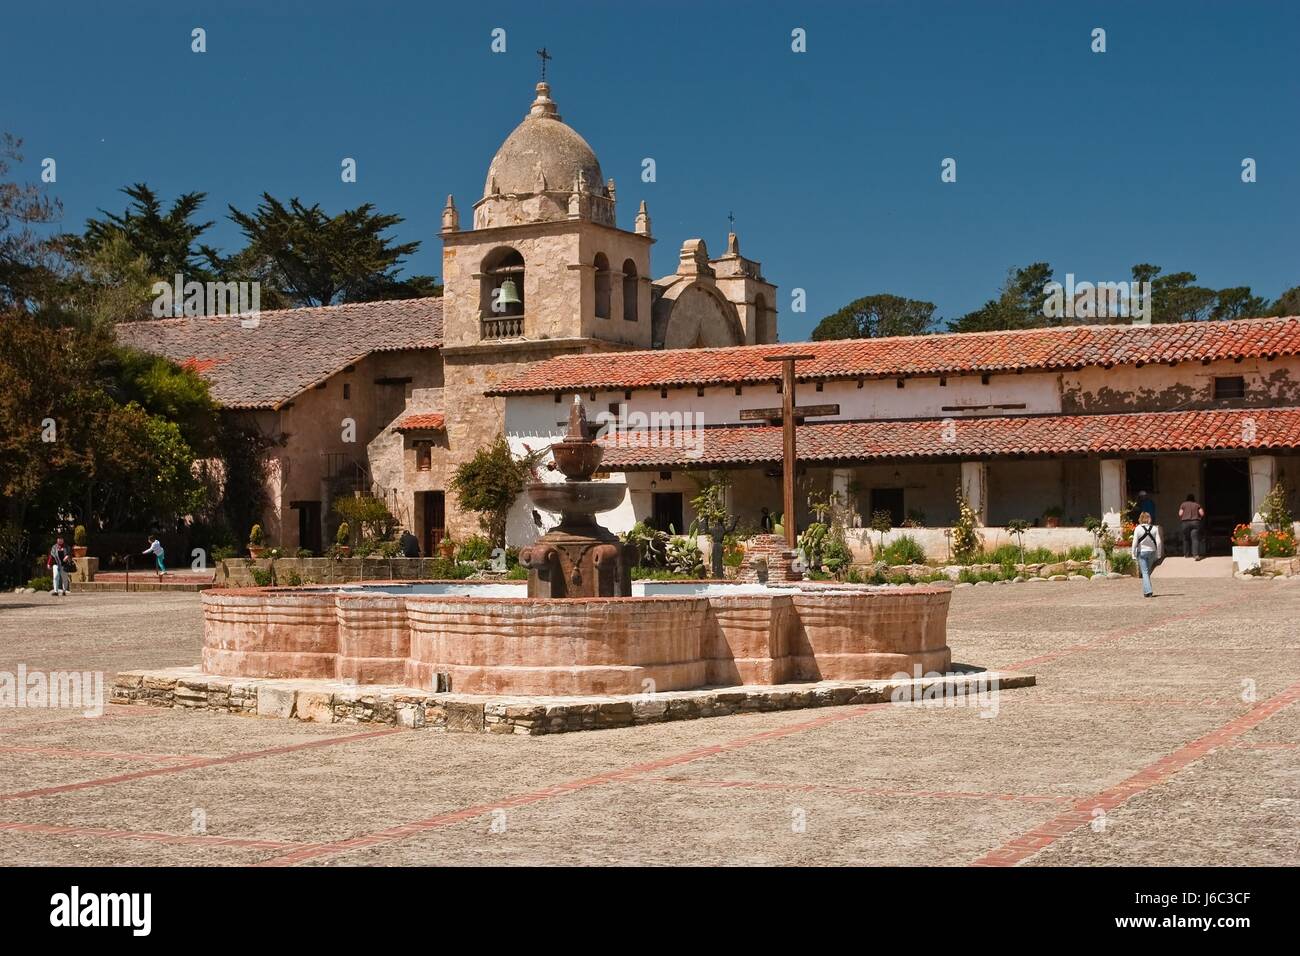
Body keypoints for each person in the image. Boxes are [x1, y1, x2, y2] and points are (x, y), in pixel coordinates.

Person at [1131, 511, 1163, 598]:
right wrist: (1159, 554)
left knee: (1144, 572)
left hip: (1142, 552)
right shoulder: (1154, 528)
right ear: (1149, 519)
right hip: (1152, 551)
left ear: (1140, 519)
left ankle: (1149, 591)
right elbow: (1159, 542)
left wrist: (1133, 553)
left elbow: (1134, 542)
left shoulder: (1138, 528)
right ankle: (1146, 592)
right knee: (1147, 572)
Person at [1178, 493, 1205, 560]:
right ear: (1193, 499)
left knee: (1186, 538)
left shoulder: (1183, 504)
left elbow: (1180, 513)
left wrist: (1183, 517)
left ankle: (1186, 554)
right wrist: (1199, 518)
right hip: (1195, 522)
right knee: (1195, 538)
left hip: (1185, 523)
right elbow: (1202, 513)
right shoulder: (1197, 505)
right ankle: (1195, 555)